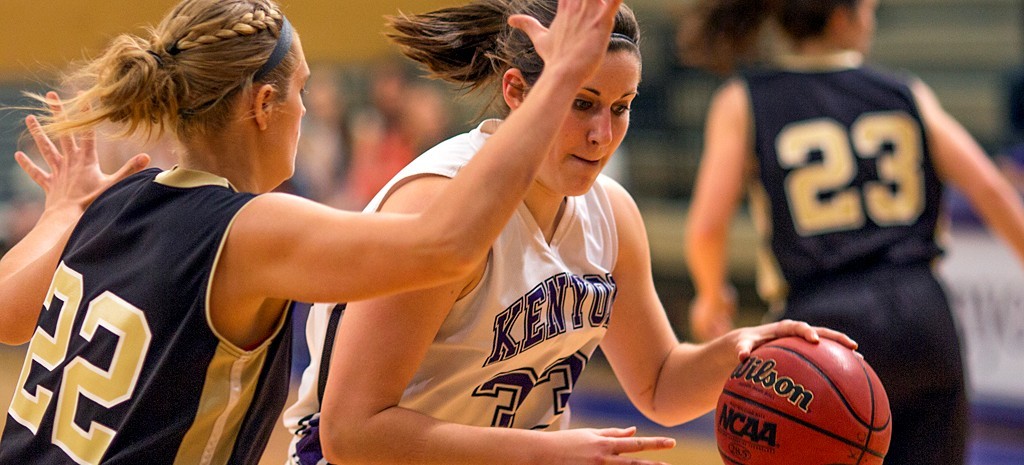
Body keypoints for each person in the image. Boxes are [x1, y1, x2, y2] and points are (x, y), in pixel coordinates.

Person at [0, 0, 634, 462]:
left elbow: (8, 317)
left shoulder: (118, 200)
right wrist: (557, 81)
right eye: (300, 90)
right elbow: (446, 246)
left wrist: (60, 214)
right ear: (263, 106)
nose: (306, 108)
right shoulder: (252, 228)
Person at [283, 1, 857, 464]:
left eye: (621, 106)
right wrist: (544, 453)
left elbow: (659, 382)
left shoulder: (612, 214)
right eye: (582, 103)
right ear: (516, 91)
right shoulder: (438, 207)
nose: (602, 134)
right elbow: (352, 434)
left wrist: (741, 353)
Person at [679, 1, 1024, 464]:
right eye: (869, 9)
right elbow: (991, 191)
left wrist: (710, 296)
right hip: (924, 315)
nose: (873, 21)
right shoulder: (905, 91)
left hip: (825, 330)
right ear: (842, 17)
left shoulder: (744, 99)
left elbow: (706, 226)